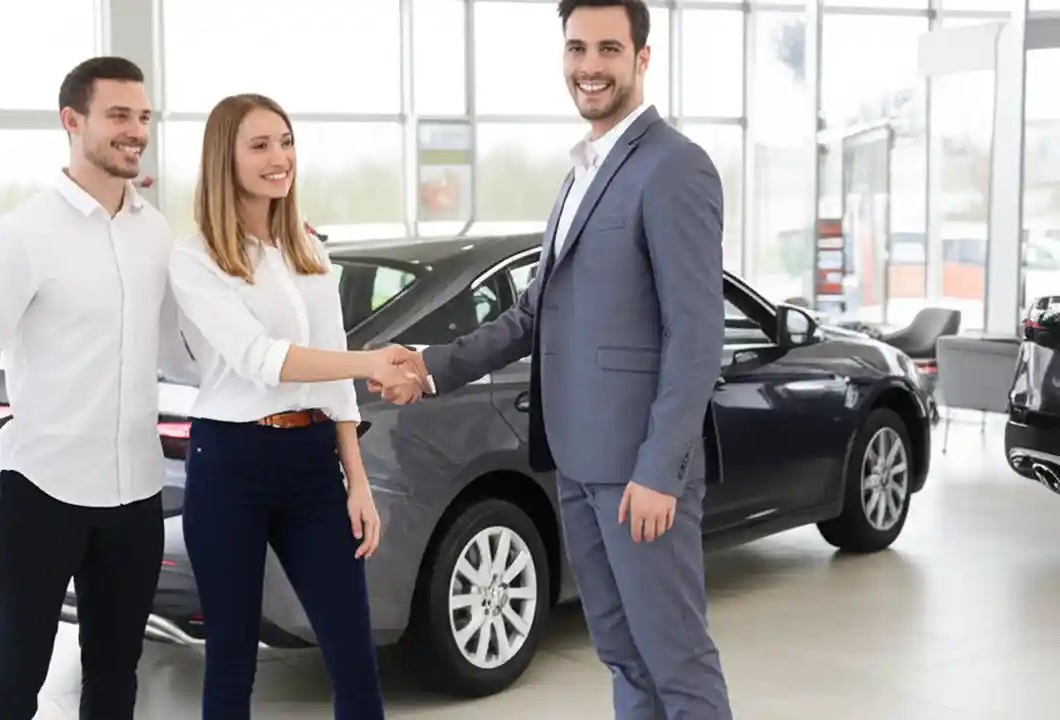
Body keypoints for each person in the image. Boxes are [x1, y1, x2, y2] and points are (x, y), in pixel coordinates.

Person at [375, 1, 733, 717]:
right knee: (624, 655)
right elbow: (534, 314)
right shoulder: (581, 174)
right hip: (576, 460)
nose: (589, 67)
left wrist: (660, 471)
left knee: (675, 659)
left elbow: (696, 334)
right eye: (576, 49)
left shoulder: (673, 167)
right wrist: (432, 364)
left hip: (638, 473)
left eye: (607, 48)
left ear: (642, 57)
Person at [0, 56, 196, 719]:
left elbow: (178, 354)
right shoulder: (22, 236)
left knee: (115, 677)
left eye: (142, 117)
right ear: (72, 121)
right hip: (42, 493)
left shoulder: (154, 231)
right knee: (15, 677)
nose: (135, 131)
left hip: (136, 495)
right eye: (118, 116)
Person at [168, 92, 418, 720]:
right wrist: (371, 362)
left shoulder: (307, 250)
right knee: (231, 662)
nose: (280, 158)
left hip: (311, 465)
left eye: (286, 141)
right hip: (230, 462)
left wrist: (355, 482)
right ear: (225, 158)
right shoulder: (195, 259)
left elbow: (329, 374)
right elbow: (264, 358)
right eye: (260, 145)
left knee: (354, 655)